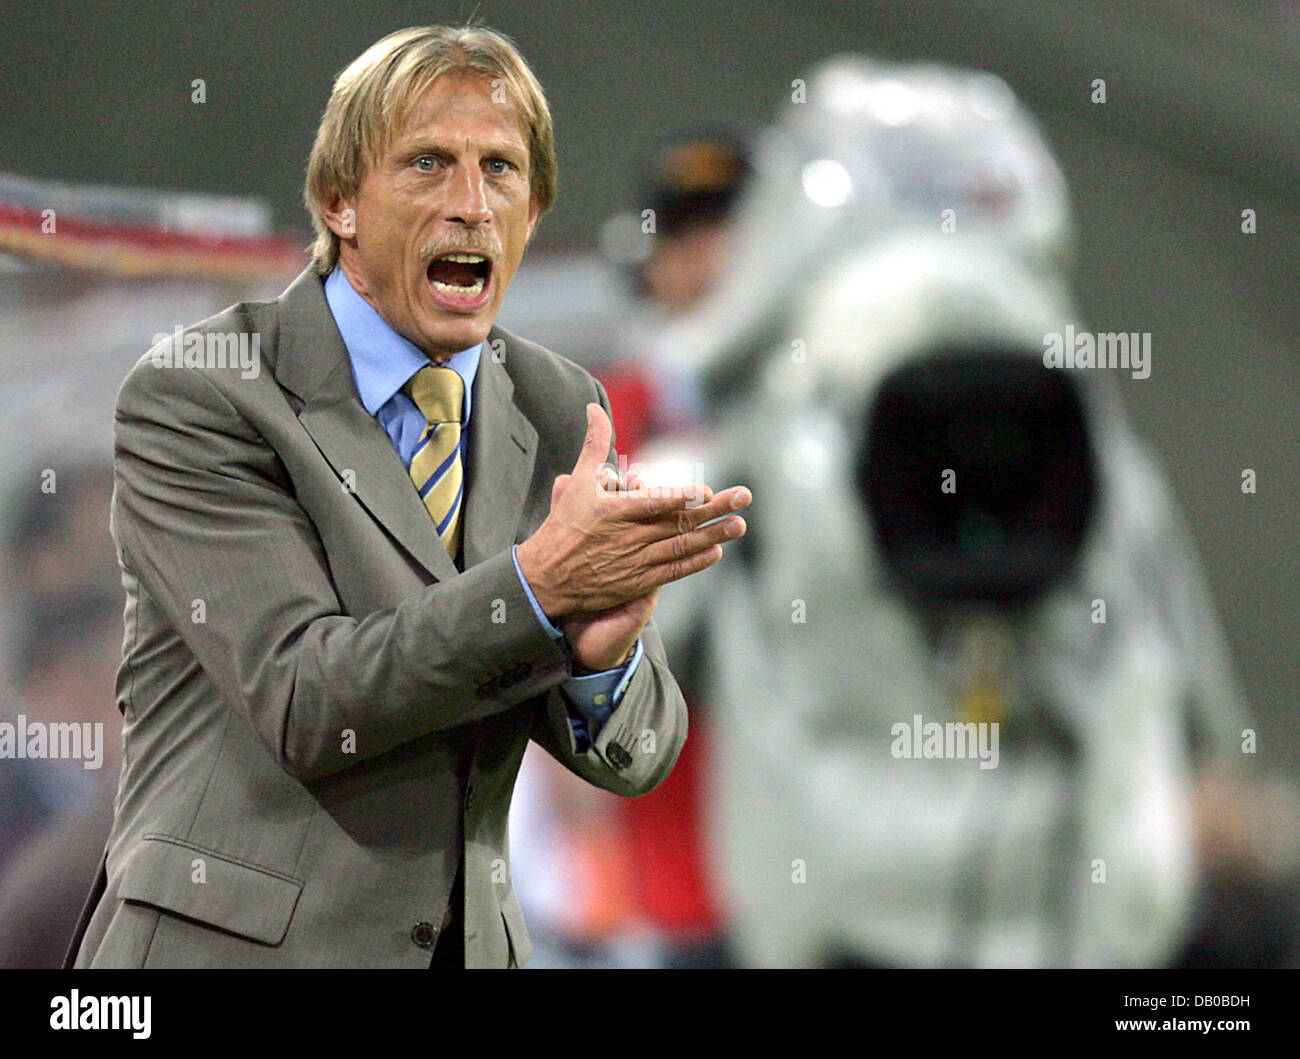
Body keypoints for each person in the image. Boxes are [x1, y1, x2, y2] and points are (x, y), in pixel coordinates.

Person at [66, 23, 750, 969]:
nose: (471, 204)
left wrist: (604, 660)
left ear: (536, 207)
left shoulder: (562, 407)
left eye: (501, 171)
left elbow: (634, 756)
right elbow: (307, 697)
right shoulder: (205, 390)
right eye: (428, 164)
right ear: (339, 199)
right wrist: (541, 592)